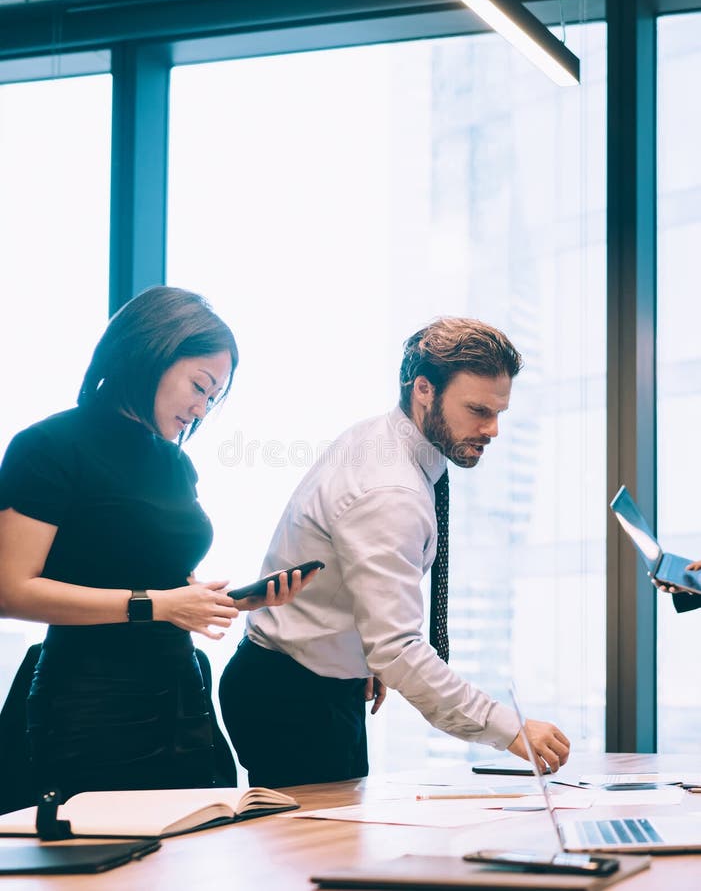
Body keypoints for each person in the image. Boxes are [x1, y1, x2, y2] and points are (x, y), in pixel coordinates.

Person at [220, 317, 570, 788]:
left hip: (308, 679)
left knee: (338, 831)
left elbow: (364, 596)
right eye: (477, 410)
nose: (492, 430)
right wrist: (512, 729)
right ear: (424, 389)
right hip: (293, 697)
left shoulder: (384, 439)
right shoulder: (391, 492)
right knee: (318, 837)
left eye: (498, 412)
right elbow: (398, 649)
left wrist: (362, 654)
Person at [0, 285, 314, 802]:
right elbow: (11, 591)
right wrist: (160, 605)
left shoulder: (175, 464)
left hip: (182, 699)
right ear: (151, 353)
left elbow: (165, 581)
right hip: (90, 709)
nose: (202, 408)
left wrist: (228, 601)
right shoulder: (48, 447)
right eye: (199, 386)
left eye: (213, 398)